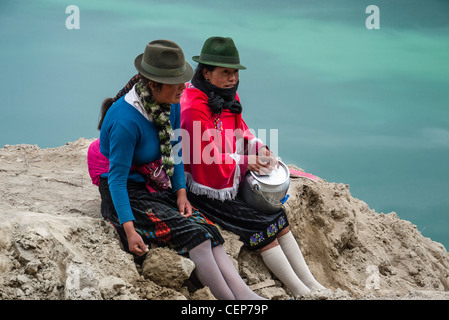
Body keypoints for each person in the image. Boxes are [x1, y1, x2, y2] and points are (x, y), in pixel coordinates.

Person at [87, 39, 263, 300]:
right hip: (125, 191)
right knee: (195, 235)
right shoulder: (125, 120)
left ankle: (246, 297)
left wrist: (181, 192)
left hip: (153, 182)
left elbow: (176, 149)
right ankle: (230, 301)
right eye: (178, 82)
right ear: (154, 84)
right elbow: (116, 180)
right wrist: (129, 229)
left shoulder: (172, 103)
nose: (185, 86)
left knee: (208, 229)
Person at [180, 36, 325, 298]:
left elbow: (240, 131)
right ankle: (300, 291)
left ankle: (312, 284)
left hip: (227, 175)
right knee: (261, 225)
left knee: (279, 218)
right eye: (226, 72)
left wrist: (258, 148)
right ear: (206, 73)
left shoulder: (223, 96)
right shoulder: (193, 105)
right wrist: (245, 163)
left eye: (235, 72)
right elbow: (203, 158)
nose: (233, 78)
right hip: (203, 188)